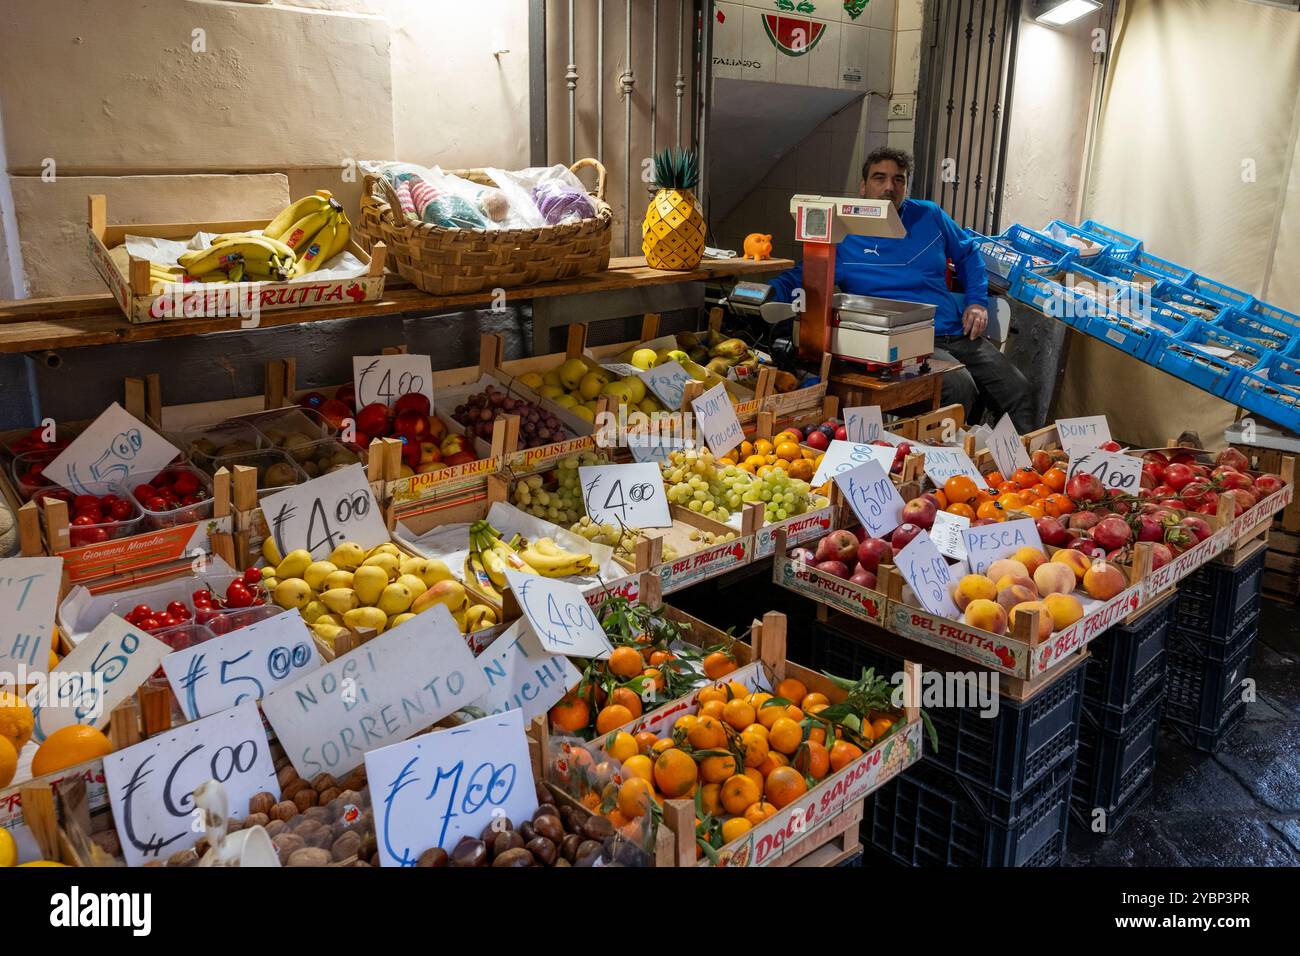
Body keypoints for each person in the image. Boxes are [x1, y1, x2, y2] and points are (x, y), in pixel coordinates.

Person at [767, 147, 1034, 432]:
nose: (889, 187)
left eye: (899, 180)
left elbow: (969, 254)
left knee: (1018, 390)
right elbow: (804, 273)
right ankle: (936, 467)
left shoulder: (929, 215)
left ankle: (1024, 470)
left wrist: (977, 302)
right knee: (959, 388)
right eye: (879, 178)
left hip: (953, 332)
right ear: (863, 186)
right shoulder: (845, 229)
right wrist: (766, 294)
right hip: (900, 344)